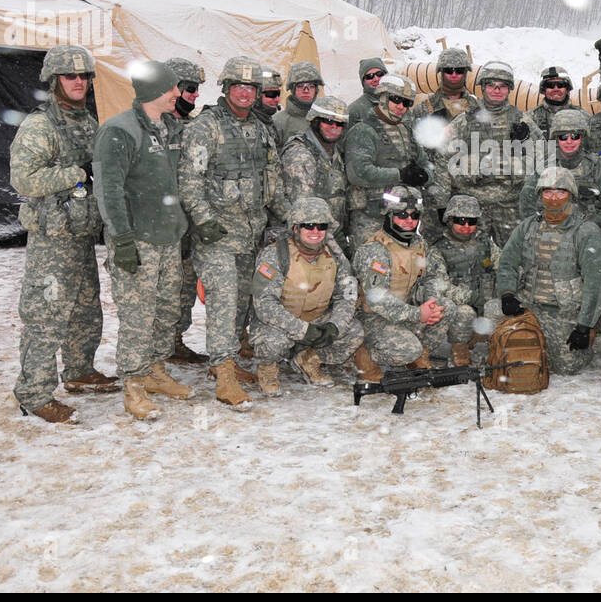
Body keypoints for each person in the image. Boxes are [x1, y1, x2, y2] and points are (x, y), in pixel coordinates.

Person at [178, 55, 291, 410]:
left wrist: (289, 217)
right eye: (238, 86)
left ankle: (225, 362)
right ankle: (223, 372)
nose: (245, 93)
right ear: (227, 88)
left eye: (251, 88)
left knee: (242, 300)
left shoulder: (260, 128)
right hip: (217, 235)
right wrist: (203, 219)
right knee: (224, 303)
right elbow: (189, 180)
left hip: (251, 232)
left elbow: (271, 179)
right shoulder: (206, 126)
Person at [10, 44, 114, 423]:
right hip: (52, 240)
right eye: (71, 76)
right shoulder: (40, 126)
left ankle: (79, 371)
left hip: (82, 233)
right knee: (46, 316)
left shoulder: (87, 123)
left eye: (85, 76)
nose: (79, 82)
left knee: (86, 311)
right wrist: (75, 173)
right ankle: (33, 394)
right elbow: (24, 179)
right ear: (54, 80)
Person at [93, 60, 193, 420]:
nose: (178, 95)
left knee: (167, 310)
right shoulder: (119, 131)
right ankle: (134, 386)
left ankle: (156, 371)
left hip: (168, 239)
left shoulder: (168, 128)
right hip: (138, 242)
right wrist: (121, 240)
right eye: (172, 89)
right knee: (138, 316)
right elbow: (109, 191)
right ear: (155, 91)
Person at [351, 186, 476, 380]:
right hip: (376, 319)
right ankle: (366, 353)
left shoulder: (419, 243)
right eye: (402, 215)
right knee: (407, 349)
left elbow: (432, 277)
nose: (409, 221)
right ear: (389, 216)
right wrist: (419, 314)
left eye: (414, 215)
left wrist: (431, 303)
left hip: (408, 311)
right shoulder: (375, 250)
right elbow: (377, 301)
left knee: (447, 308)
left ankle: (419, 355)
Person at [496, 166, 601, 375]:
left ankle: (587, 341)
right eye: (548, 192)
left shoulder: (585, 231)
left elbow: (596, 281)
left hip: (564, 312)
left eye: (560, 191)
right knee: (495, 324)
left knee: (565, 367)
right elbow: (507, 263)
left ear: (571, 194)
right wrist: (507, 294)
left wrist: (585, 325)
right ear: (540, 195)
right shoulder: (529, 226)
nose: (553, 198)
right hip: (527, 305)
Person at [248, 198, 364, 390]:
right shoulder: (275, 255)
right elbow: (264, 305)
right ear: (295, 228)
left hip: (317, 319)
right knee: (271, 343)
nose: (316, 232)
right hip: (281, 323)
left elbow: (347, 296)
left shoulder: (336, 256)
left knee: (354, 331)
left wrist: (333, 326)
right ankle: (268, 368)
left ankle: (309, 359)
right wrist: (302, 330)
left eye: (321, 226)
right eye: (308, 226)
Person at [428, 60, 538, 249]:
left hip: (509, 206)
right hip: (471, 206)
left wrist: (524, 145)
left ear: (509, 89)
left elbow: (542, 159)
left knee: (516, 257)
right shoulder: (465, 121)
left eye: (502, 86)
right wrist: (442, 203)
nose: (497, 90)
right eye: (491, 85)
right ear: (483, 87)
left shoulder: (522, 122)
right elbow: (442, 159)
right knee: (470, 260)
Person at [345, 73, 431, 245]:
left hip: (402, 217)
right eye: (396, 100)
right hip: (371, 216)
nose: (401, 107)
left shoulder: (406, 130)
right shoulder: (364, 130)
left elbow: (425, 163)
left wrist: (424, 175)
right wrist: (400, 175)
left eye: (406, 103)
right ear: (383, 97)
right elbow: (359, 173)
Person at [162, 56, 209, 366]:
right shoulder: (151, 124)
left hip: (189, 223)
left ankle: (175, 341)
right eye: (189, 89)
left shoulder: (194, 127)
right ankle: (155, 352)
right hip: (162, 224)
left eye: (196, 90)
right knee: (161, 290)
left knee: (185, 286)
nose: (194, 95)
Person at [518, 108, 601, 229]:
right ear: (556, 138)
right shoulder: (545, 168)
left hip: (588, 235)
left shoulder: (598, 168)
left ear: (582, 137)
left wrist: (590, 227)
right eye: (563, 137)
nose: (569, 141)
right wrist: (542, 227)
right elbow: (526, 202)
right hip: (552, 235)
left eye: (575, 136)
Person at [280, 95, 351, 253]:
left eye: (339, 124)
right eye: (328, 121)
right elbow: (305, 212)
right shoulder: (300, 154)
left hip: (329, 234)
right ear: (315, 120)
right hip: (309, 239)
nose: (334, 127)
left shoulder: (333, 151)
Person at [408, 47, 479, 127]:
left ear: (465, 73)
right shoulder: (424, 109)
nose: (454, 75)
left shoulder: (476, 108)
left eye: (459, 70)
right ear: (441, 72)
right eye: (449, 70)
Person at [272, 61, 323, 145]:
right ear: (293, 89)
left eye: (311, 86)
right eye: (300, 86)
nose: (306, 91)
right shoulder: (277, 122)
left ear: (316, 90)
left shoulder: (326, 121)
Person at [529, 65, 576, 138]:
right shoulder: (530, 119)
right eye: (550, 85)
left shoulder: (582, 116)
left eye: (560, 85)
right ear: (544, 90)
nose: (556, 89)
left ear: (567, 89)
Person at [346, 57, 388, 126]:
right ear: (363, 81)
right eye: (370, 76)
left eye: (379, 74)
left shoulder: (400, 102)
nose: (376, 79)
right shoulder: (355, 110)